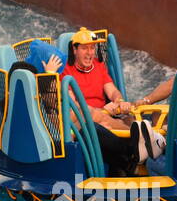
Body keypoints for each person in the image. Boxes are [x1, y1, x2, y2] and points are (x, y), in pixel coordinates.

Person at [29, 31, 164, 176]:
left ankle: (141, 143)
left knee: (131, 119)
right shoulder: (62, 74)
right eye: (84, 48)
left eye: (92, 48)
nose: (89, 53)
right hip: (85, 121)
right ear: (74, 50)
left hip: (101, 118)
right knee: (93, 121)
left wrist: (119, 101)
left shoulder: (99, 66)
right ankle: (137, 147)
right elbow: (73, 105)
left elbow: (112, 91)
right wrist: (102, 113)